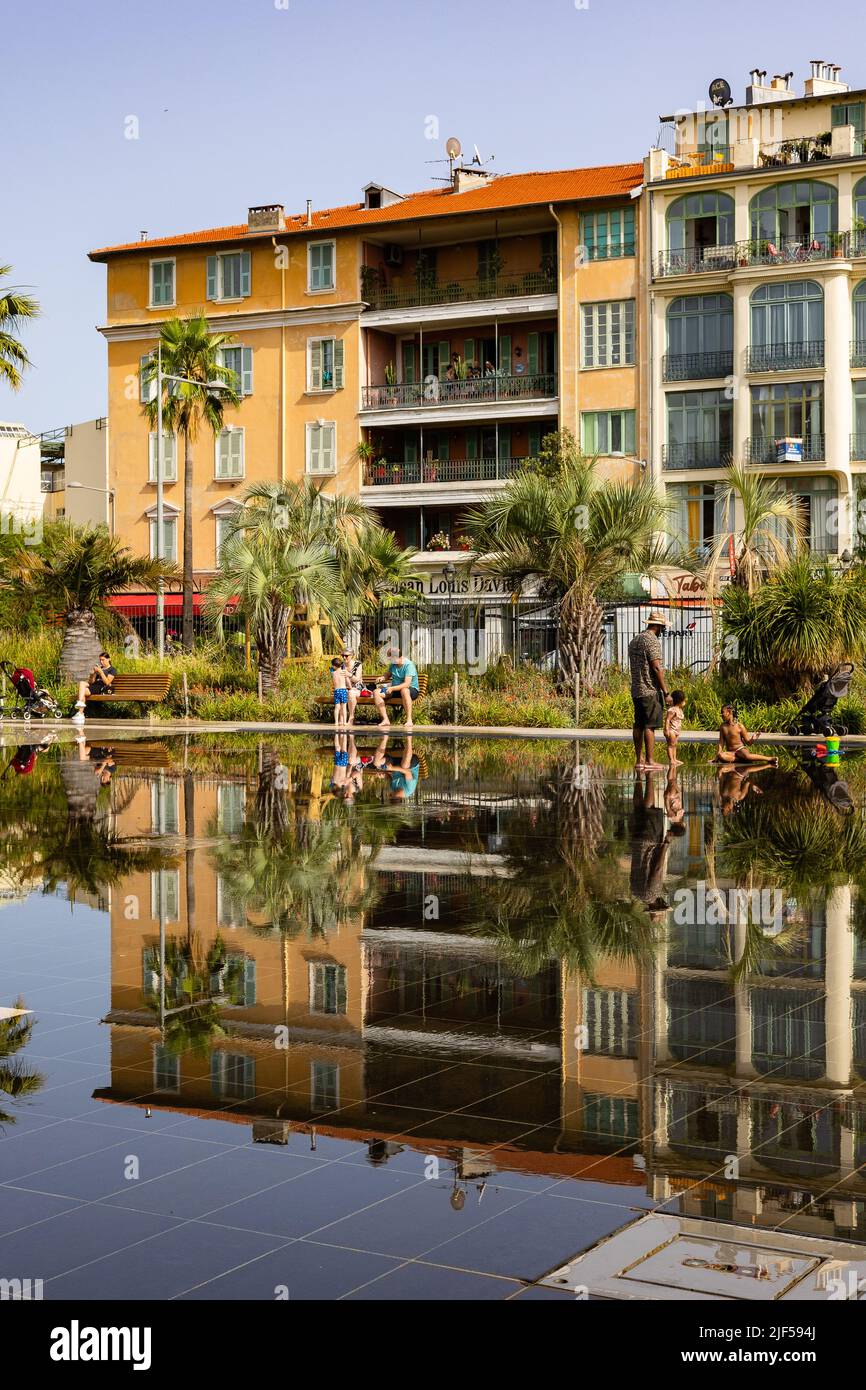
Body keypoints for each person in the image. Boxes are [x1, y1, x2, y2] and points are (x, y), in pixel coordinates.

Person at [627, 611, 671, 772]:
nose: (664, 630)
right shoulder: (652, 641)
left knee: (638, 724)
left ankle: (639, 760)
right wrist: (666, 692)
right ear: (658, 626)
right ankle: (650, 761)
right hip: (650, 690)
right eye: (663, 627)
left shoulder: (635, 640)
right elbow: (656, 667)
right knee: (649, 726)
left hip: (636, 689)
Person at [372, 646, 419, 729]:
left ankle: (409, 720)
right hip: (395, 689)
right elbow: (388, 674)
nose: (390, 661)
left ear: (398, 657)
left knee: (404, 690)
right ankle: (385, 720)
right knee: (376, 692)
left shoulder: (409, 665)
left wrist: (392, 688)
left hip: (411, 690)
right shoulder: (393, 664)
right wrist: (383, 677)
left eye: (391, 659)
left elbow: (407, 684)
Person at [73, 651, 117, 723]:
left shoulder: (112, 670)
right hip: (94, 685)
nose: (101, 662)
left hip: (101, 687)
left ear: (108, 659)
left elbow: (107, 682)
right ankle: (80, 703)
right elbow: (92, 682)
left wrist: (101, 672)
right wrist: (94, 673)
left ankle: (80, 713)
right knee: (82, 683)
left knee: (82, 692)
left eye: (103, 660)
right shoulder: (100, 668)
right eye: (100, 660)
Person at [341, 647, 364, 724]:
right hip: (344, 687)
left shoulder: (358, 665)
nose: (344, 657)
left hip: (357, 688)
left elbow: (357, 679)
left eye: (346, 656)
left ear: (352, 656)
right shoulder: (341, 665)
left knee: (351, 693)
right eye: (342, 655)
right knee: (342, 693)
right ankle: (341, 719)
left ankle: (351, 717)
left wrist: (349, 675)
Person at [663, 689, 686, 766]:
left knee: (675, 745)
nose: (685, 702)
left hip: (677, 731)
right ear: (680, 701)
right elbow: (667, 719)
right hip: (671, 730)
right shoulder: (672, 710)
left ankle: (675, 758)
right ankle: (671, 760)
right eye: (684, 701)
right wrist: (666, 730)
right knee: (670, 745)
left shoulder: (679, 710)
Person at [330, 657, 349, 728]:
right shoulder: (343, 672)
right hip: (343, 691)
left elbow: (331, 669)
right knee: (344, 707)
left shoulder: (333, 673)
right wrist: (350, 687)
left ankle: (336, 722)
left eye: (332, 665)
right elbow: (347, 681)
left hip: (336, 691)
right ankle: (344, 722)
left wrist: (335, 666)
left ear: (334, 666)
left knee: (337, 707)